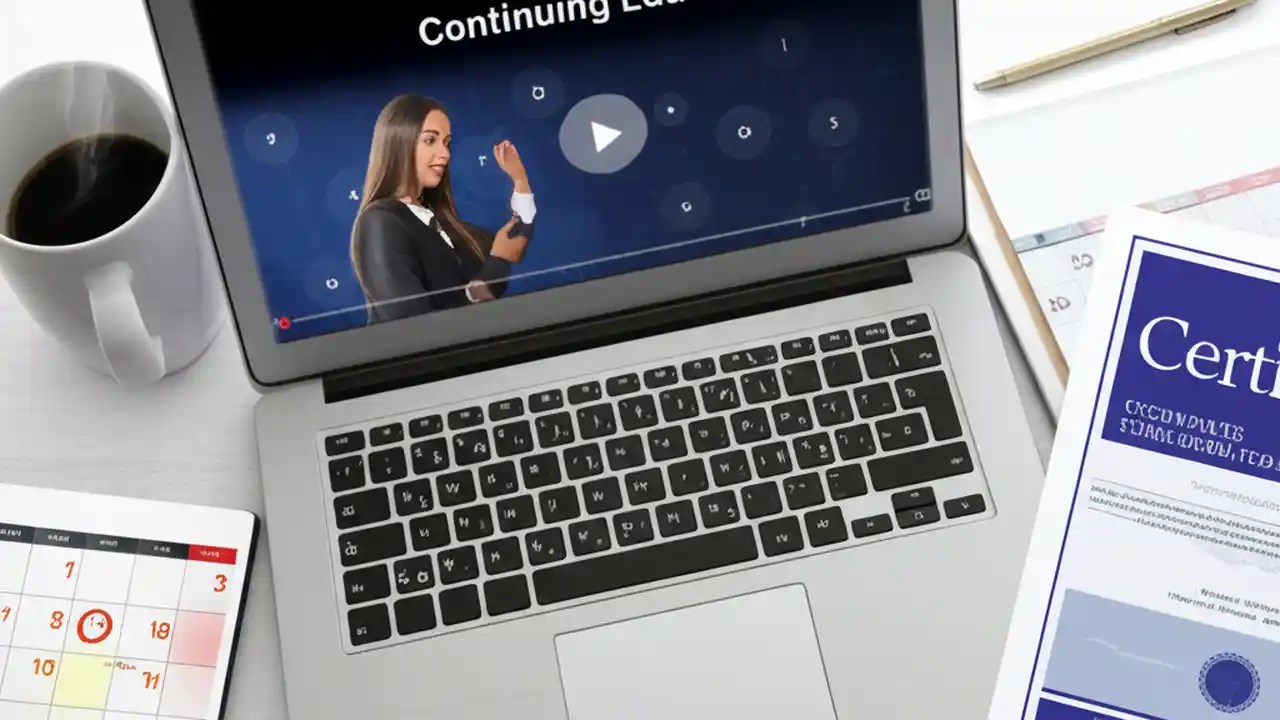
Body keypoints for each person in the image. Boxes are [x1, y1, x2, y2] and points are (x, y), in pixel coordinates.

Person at [349, 94, 535, 324]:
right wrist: (496, 264)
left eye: (446, 142)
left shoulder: (446, 226)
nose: (445, 154)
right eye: (430, 140)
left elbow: (514, 241)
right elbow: (413, 326)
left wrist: (520, 179)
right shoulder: (380, 221)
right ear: (399, 143)